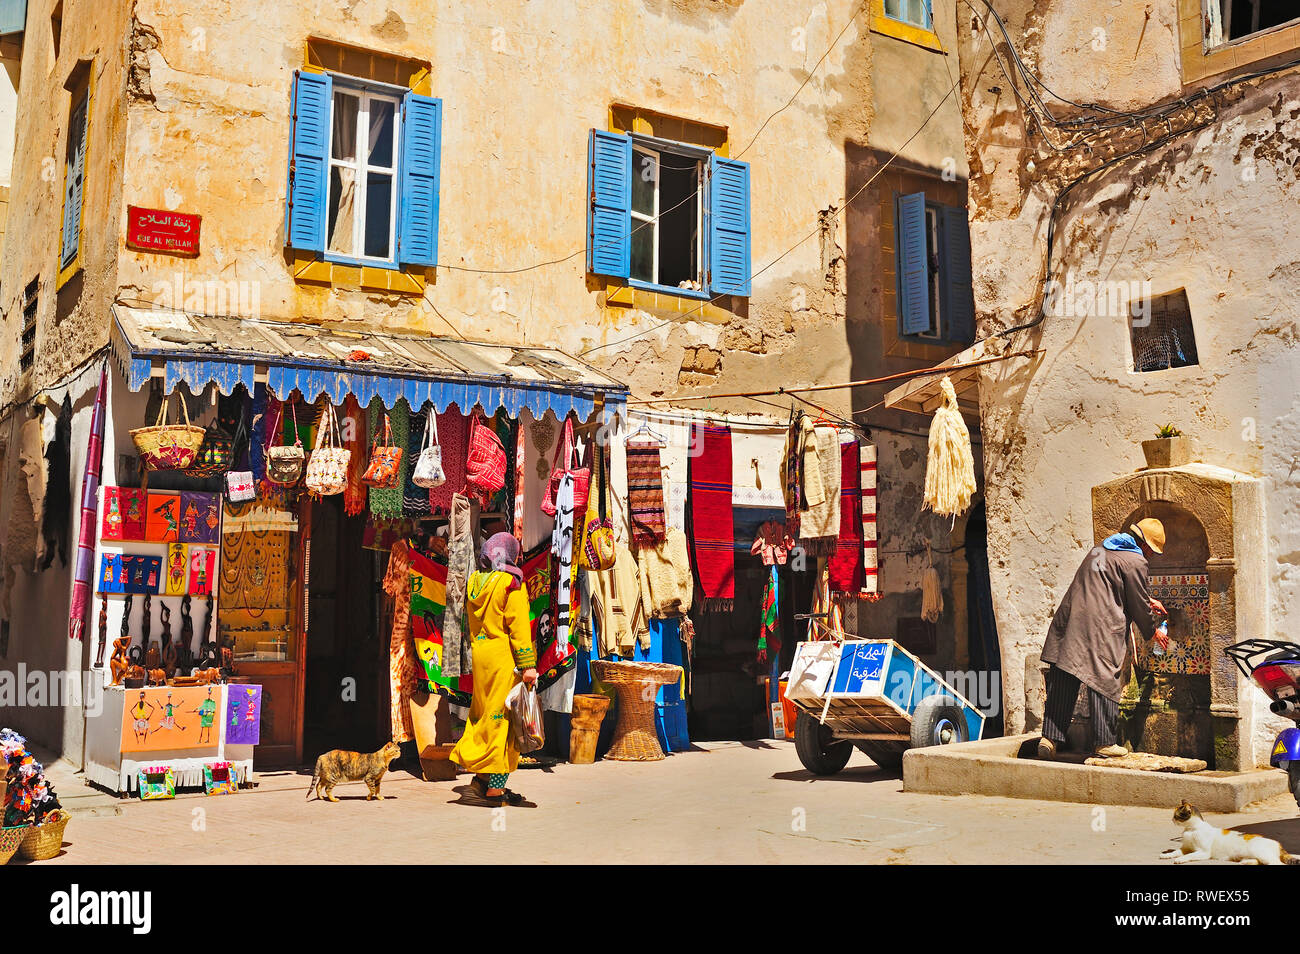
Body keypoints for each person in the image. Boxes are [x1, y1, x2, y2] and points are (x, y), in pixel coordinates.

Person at [1037, 518, 1168, 760]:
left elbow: (1107, 583)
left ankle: (1049, 739)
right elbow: (1136, 601)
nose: (1150, 556)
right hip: (1100, 628)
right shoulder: (1136, 561)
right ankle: (1104, 743)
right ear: (1147, 546)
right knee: (1104, 678)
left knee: (1065, 675)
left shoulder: (1099, 549)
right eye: (1152, 551)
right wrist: (1153, 630)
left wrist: (1148, 600)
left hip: (1072, 621)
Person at [450, 532, 539, 806]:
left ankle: (481, 779)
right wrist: (527, 665)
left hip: (481, 656)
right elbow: (519, 628)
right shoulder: (511, 584)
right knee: (504, 723)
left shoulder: (476, 581)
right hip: (504, 659)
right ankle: (495, 789)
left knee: (483, 715)